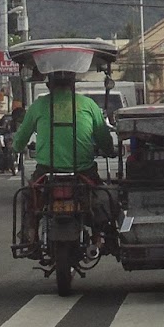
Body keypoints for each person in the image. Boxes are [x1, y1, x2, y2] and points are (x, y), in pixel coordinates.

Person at [12, 69, 116, 244]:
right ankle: (105, 235)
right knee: (102, 197)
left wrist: (17, 147)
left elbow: (19, 140)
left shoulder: (38, 105)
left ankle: (29, 235)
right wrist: (108, 150)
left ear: (49, 86)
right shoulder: (88, 105)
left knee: (30, 198)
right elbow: (104, 139)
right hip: (83, 170)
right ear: (73, 85)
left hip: (47, 172)